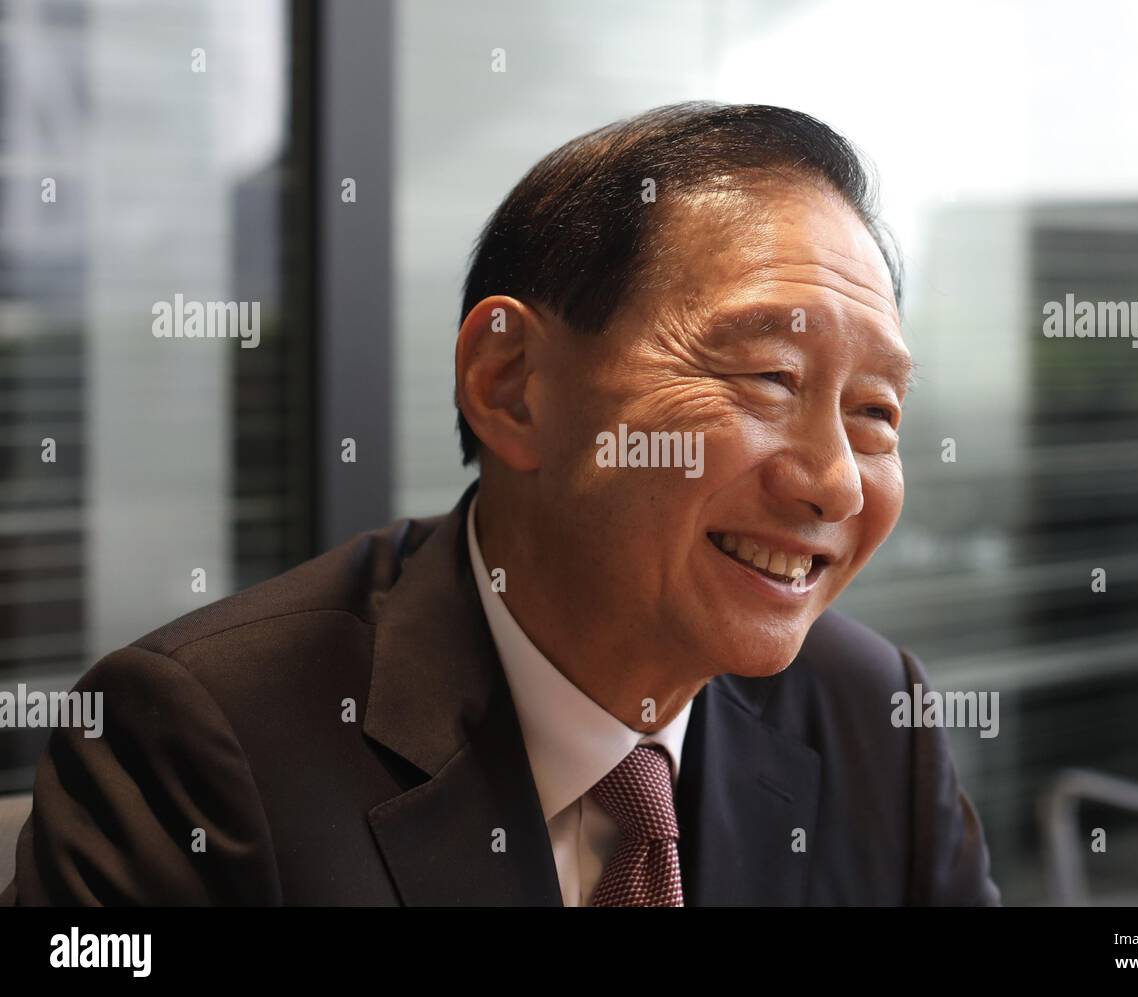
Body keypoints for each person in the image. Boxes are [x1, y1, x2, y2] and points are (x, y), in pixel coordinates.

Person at [3, 101, 999, 906]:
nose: (831, 478)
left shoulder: (872, 714)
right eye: (770, 377)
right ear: (512, 382)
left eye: (875, 411)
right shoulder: (202, 743)